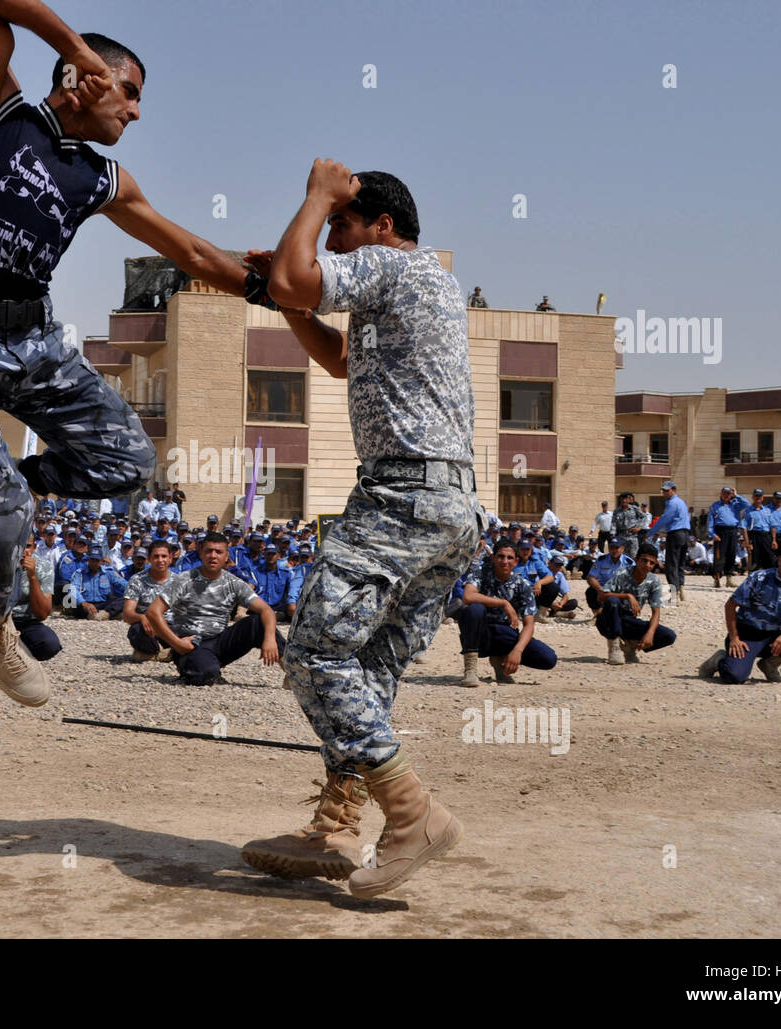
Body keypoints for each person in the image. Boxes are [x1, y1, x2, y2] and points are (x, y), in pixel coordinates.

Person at [0, 3, 275, 708]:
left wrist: (264, 285)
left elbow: (190, 251)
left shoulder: (104, 179)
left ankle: (6, 486)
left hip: (35, 341)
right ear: (87, 79)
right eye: (129, 92)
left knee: (129, 460)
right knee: (5, 515)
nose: (134, 112)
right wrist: (76, 47)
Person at [240, 162, 482, 898]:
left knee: (312, 649)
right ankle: (338, 827)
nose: (335, 240)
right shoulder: (411, 288)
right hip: (451, 508)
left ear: (382, 225)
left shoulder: (393, 267)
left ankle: (412, 814)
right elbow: (342, 360)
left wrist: (315, 201)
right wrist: (288, 298)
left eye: (344, 224)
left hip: (401, 496)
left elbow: (295, 276)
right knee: (368, 670)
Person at [143, 532, 284, 686]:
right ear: (201, 554)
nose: (213, 556)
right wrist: (176, 643)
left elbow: (267, 610)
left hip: (220, 641)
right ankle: (194, 663)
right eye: (208, 551)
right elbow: (153, 612)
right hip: (191, 644)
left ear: (226, 557)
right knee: (205, 675)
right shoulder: (185, 580)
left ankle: (294, 675)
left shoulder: (233, 583)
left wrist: (269, 638)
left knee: (258, 622)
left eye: (218, 552)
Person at [698, 544, 781, 684]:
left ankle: (770, 663)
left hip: (772, 636)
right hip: (746, 635)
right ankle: (719, 659)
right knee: (734, 677)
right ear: (779, 560)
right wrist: (734, 638)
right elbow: (730, 605)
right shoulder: (759, 578)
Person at [455, 537, 557, 686]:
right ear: (493, 558)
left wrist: (518, 651)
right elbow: (468, 596)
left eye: (510, 558)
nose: (505, 561)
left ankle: (500, 661)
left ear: (516, 561)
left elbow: (529, 624)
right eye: (501, 556)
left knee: (548, 659)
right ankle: (470, 670)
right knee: (474, 609)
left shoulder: (522, 585)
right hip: (480, 635)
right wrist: (503, 603)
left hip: (504, 634)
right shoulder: (481, 573)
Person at [594, 543, 675, 665]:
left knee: (669, 635)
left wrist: (650, 634)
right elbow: (601, 596)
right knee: (613, 601)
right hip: (609, 619)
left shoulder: (653, 581)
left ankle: (630, 646)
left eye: (651, 563)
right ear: (636, 560)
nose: (647, 565)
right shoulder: (622, 573)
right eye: (644, 560)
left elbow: (656, 611)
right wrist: (627, 596)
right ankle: (614, 647)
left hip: (629, 621)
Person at [122, 539, 177, 661]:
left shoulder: (179, 581)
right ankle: (167, 653)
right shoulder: (137, 580)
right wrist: (142, 618)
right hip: (150, 629)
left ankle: (152, 655)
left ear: (170, 558)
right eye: (156, 556)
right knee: (135, 630)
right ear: (149, 558)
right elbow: (127, 614)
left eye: (164, 556)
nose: (160, 560)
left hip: (172, 628)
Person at [647, 480, 690, 602]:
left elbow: (665, 519)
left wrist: (650, 531)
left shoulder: (672, 503)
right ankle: (681, 589)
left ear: (674, 490)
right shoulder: (681, 502)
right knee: (680, 564)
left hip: (676, 534)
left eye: (667, 490)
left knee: (671, 565)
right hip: (685, 533)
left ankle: (674, 594)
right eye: (664, 490)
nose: (665, 493)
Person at [69, 545, 127, 619]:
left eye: (97, 560)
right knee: (76, 606)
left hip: (104, 604)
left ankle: (106, 614)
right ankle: (112, 615)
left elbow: (124, 585)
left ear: (101, 561)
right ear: (88, 560)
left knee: (124, 600)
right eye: (92, 560)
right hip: (86, 604)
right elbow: (73, 590)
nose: (94, 563)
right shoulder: (79, 573)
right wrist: (84, 603)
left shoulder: (108, 572)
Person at [707, 485, 746, 588]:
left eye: (729, 494)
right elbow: (710, 521)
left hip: (733, 531)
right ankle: (717, 578)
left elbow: (746, 504)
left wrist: (737, 495)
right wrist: (713, 534)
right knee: (719, 556)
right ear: (721, 494)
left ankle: (729, 579)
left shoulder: (735, 505)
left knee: (731, 555)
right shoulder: (715, 506)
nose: (726, 496)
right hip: (720, 531)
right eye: (724, 493)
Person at [584, 537, 635, 615]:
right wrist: (600, 589)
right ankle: (598, 615)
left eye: (616, 548)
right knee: (590, 592)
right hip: (604, 589)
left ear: (622, 549)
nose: (614, 550)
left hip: (621, 591)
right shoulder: (601, 560)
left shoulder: (629, 563)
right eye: (611, 547)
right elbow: (590, 577)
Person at [742, 488, 775, 571]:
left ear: (763, 498)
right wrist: (747, 542)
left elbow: (773, 526)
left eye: (760, 496)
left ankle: (769, 579)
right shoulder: (747, 511)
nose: (758, 498)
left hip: (766, 536)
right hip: (754, 536)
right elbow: (744, 527)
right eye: (756, 496)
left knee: (769, 558)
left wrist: (774, 540)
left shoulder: (767, 511)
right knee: (755, 560)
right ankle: (753, 580)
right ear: (753, 497)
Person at [611, 491, 643, 559]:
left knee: (634, 556)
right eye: (622, 499)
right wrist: (613, 535)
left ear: (628, 500)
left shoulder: (634, 509)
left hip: (632, 536)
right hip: (621, 536)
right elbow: (613, 523)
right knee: (621, 556)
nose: (624, 501)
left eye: (625, 499)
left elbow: (644, 517)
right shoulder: (616, 511)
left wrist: (639, 527)